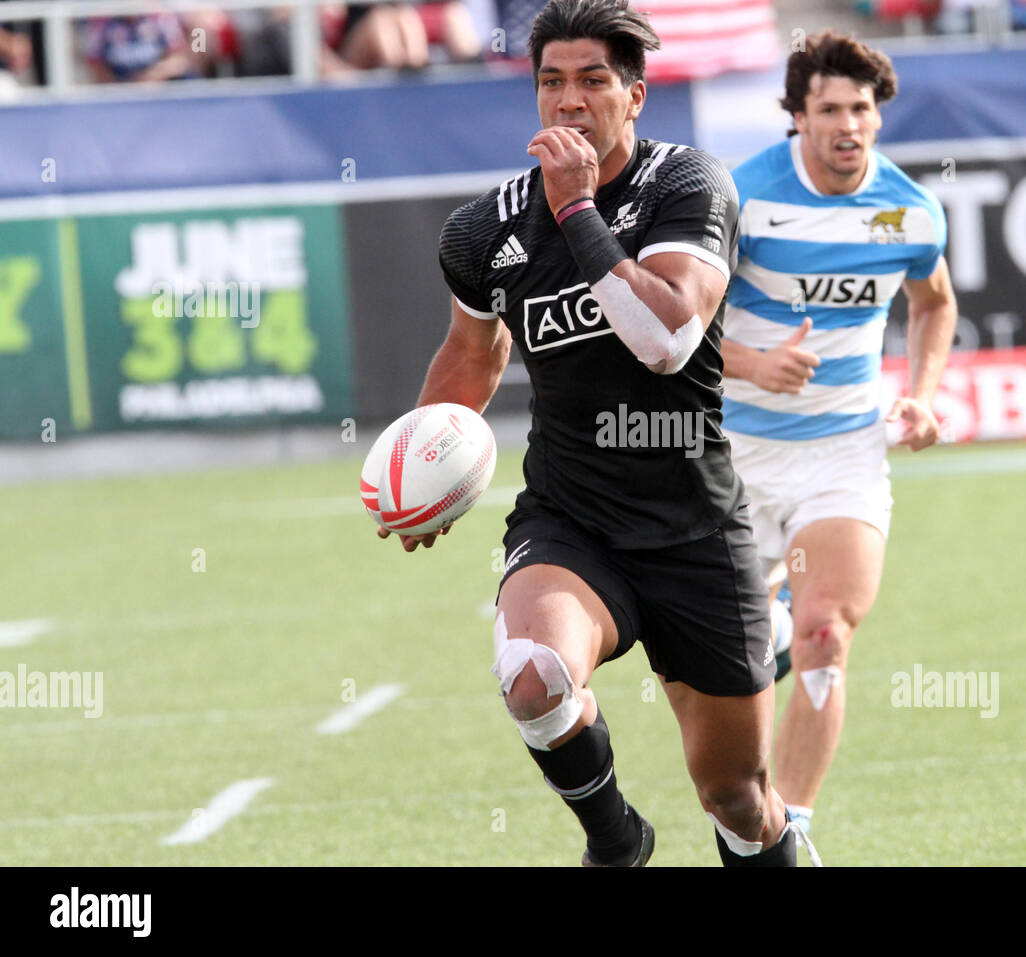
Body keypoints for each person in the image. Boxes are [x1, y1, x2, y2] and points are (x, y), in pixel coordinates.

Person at [378, 0, 808, 866]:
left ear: (635, 94)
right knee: (533, 675)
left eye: (592, 81)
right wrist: (423, 468)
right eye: (550, 82)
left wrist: (577, 211)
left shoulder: (689, 184)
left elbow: (668, 339)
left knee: (737, 797)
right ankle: (615, 839)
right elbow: (472, 353)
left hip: (695, 525)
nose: (568, 101)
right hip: (571, 520)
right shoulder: (481, 231)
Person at [719, 31, 957, 838]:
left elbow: (934, 303)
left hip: (844, 450)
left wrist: (921, 395)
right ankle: (766, 634)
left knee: (827, 634)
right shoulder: (742, 199)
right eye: (828, 109)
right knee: (718, 664)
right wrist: (752, 363)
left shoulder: (908, 212)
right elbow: (671, 328)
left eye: (862, 108)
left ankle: (788, 832)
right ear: (797, 117)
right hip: (734, 458)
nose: (848, 125)